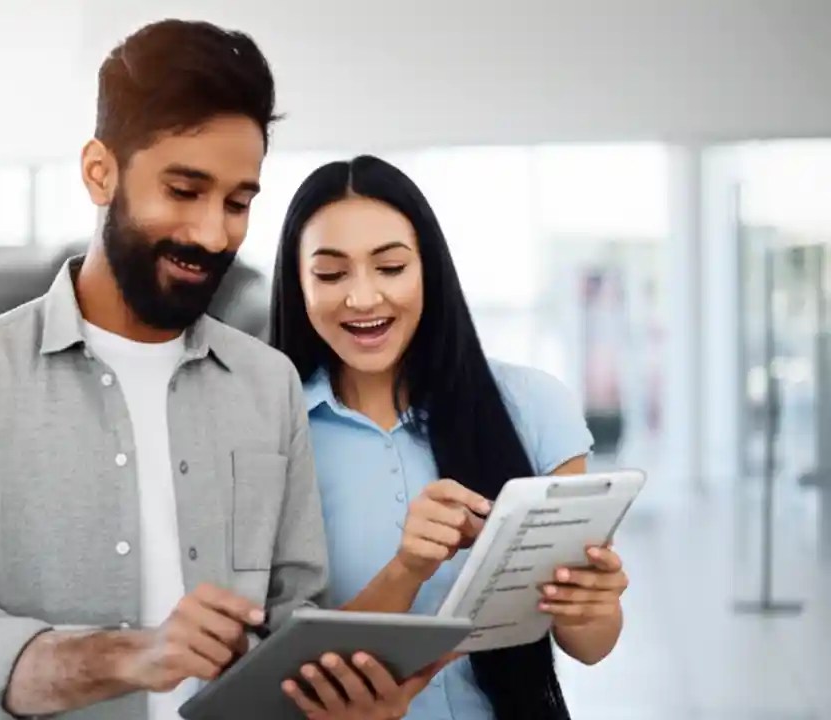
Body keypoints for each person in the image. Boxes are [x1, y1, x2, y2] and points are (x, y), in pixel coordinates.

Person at [0, 23, 445, 720]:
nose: (214, 234)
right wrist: (130, 656)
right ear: (101, 172)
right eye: (184, 191)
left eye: (238, 203)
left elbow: (293, 618)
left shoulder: (267, 385)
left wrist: (341, 695)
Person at [269, 155, 631, 720]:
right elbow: (296, 671)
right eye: (332, 274)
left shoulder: (532, 405)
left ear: (428, 271)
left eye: (390, 267)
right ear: (298, 284)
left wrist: (592, 605)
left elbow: (590, 646)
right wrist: (408, 567)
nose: (363, 299)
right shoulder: (273, 429)